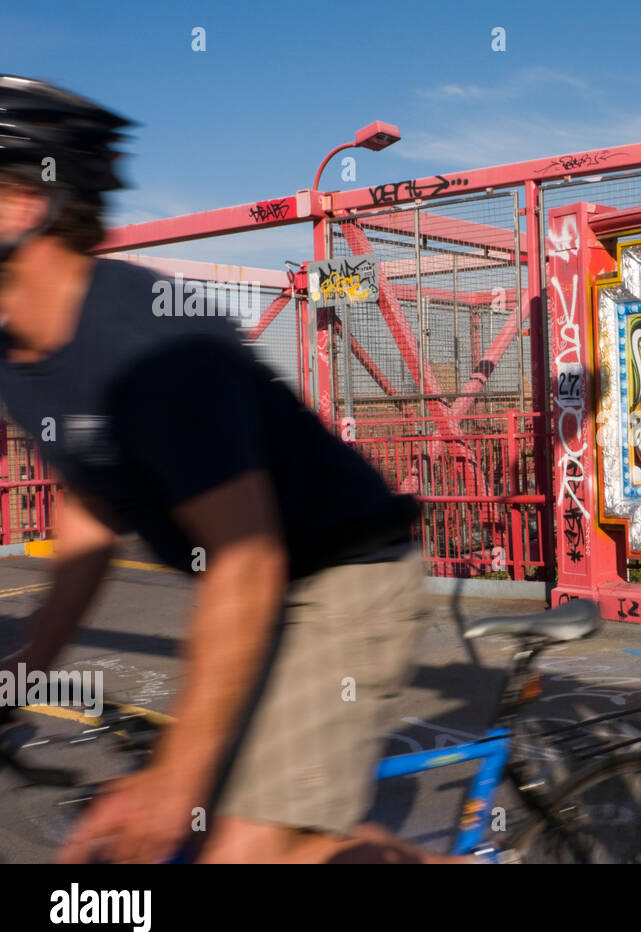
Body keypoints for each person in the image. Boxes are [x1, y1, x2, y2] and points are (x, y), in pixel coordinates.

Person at [0, 75, 448, 863]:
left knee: (236, 849)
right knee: (269, 827)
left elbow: (244, 564)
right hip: (263, 587)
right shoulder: (19, 353)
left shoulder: (145, 340)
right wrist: (28, 668)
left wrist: (174, 781)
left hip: (343, 571)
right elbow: (90, 504)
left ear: (22, 204)